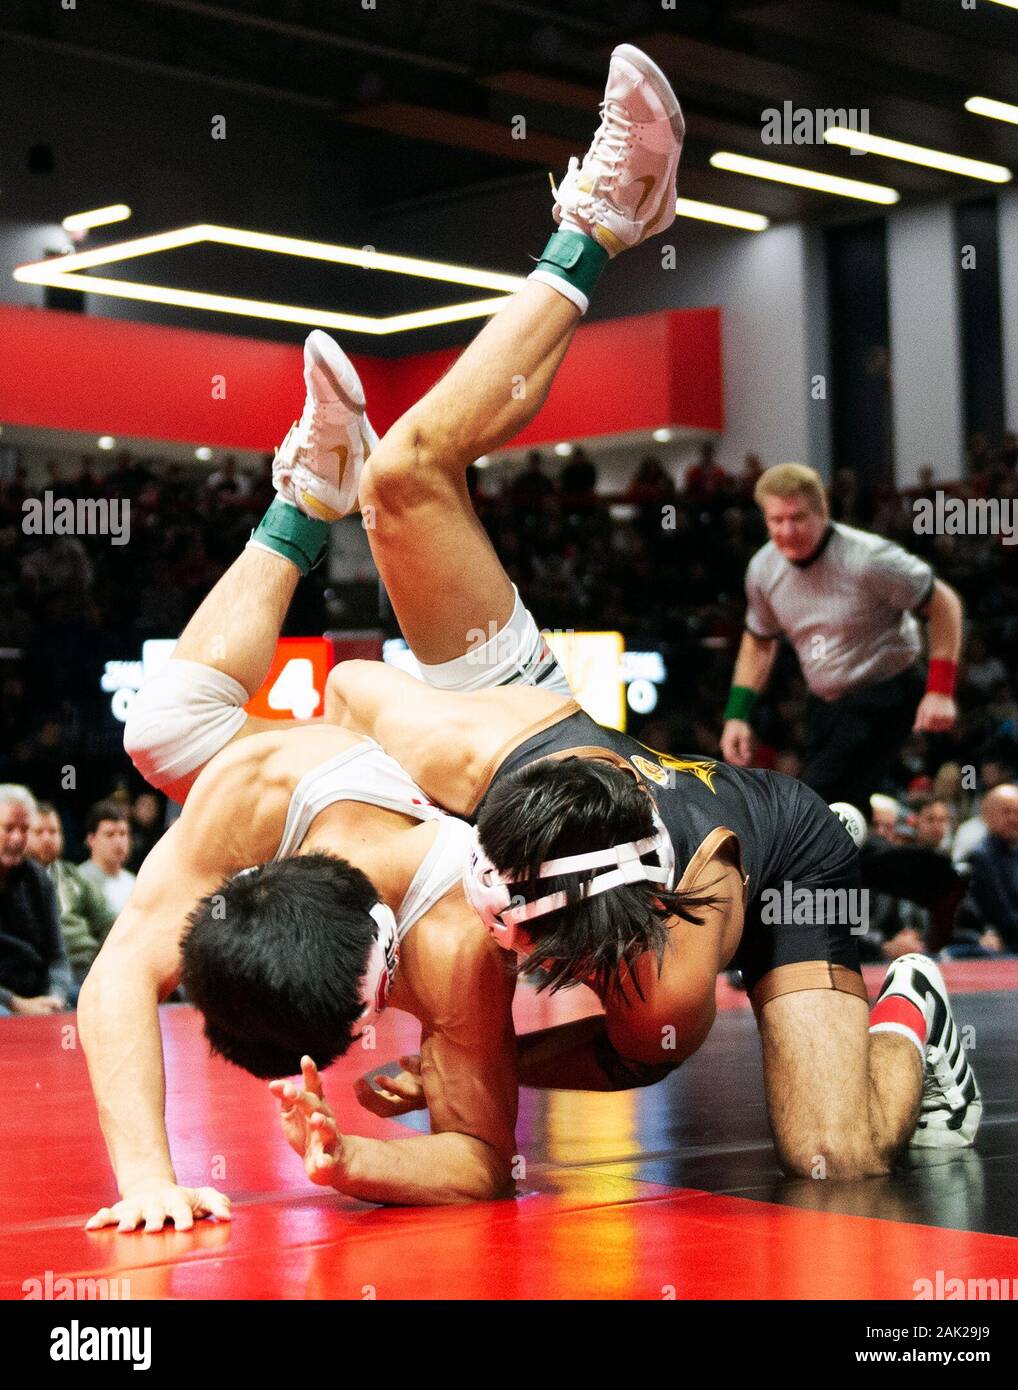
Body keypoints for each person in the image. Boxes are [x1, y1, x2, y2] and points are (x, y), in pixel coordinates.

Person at [242, 49, 978, 1170]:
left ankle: (910, 1005)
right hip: (564, 755)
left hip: (784, 858)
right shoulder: (482, 768)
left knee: (835, 1157)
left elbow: (641, 1054)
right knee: (398, 486)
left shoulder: (656, 976)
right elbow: (347, 681)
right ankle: (592, 229)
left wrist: (486, 1060)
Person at [80, 41, 678, 1231]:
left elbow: (471, 1153)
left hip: (493, 738)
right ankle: (307, 495)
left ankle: (602, 221)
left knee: (401, 480)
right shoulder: (259, 829)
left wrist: (387, 1131)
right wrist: (169, 1178)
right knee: (175, 726)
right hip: (461, 765)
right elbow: (114, 986)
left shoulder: (417, 918)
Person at [718, 462, 962, 817]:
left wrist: (940, 690)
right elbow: (759, 641)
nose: (787, 530)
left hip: (886, 691)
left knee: (819, 807)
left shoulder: (868, 558)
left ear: (822, 511)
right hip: (824, 704)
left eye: (797, 517)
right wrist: (736, 716)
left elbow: (944, 603)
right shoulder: (762, 569)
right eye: (776, 520)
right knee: (843, 813)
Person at [0, 785, 73, 1017]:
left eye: (24, 829)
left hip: (41, 991)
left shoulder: (37, 878)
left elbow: (57, 955)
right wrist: (16, 1004)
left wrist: (55, 996)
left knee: (104, 998)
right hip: (6, 1001)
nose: (17, 838)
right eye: (9, 828)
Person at [27, 801, 115, 986]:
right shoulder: (17, 880)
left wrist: (108, 961)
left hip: (91, 966)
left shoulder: (72, 875)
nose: (47, 838)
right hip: (52, 973)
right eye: (39, 832)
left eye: (53, 831)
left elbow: (108, 921)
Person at [965, 784, 1018, 955]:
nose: (1014, 819)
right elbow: (1002, 916)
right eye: (1007, 812)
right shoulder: (981, 858)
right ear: (988, 816)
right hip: (1008, 939)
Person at [78, 800, 136, 916]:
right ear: (91, 840)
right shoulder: (78, 880)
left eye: (123, 833)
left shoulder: (134, 883)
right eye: (110, 834)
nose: (118, 841)